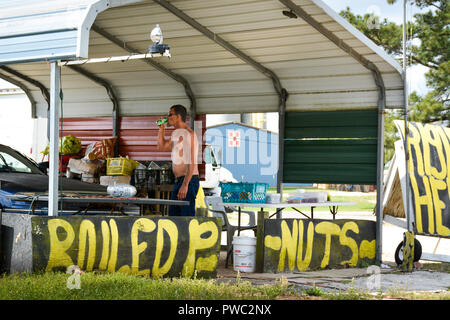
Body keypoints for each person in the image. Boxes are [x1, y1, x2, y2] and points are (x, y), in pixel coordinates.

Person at [157, 104, 199, 216]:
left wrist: (185, 184)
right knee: (174, 218)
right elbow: (161, 147)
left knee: (186, 219)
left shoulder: (189, 134)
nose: (168, 117)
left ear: (178, 116)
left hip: (188, 180)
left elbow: (192, 162)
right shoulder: (176, 134)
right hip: (179, 180)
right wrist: (161, 130)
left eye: (170, 114)